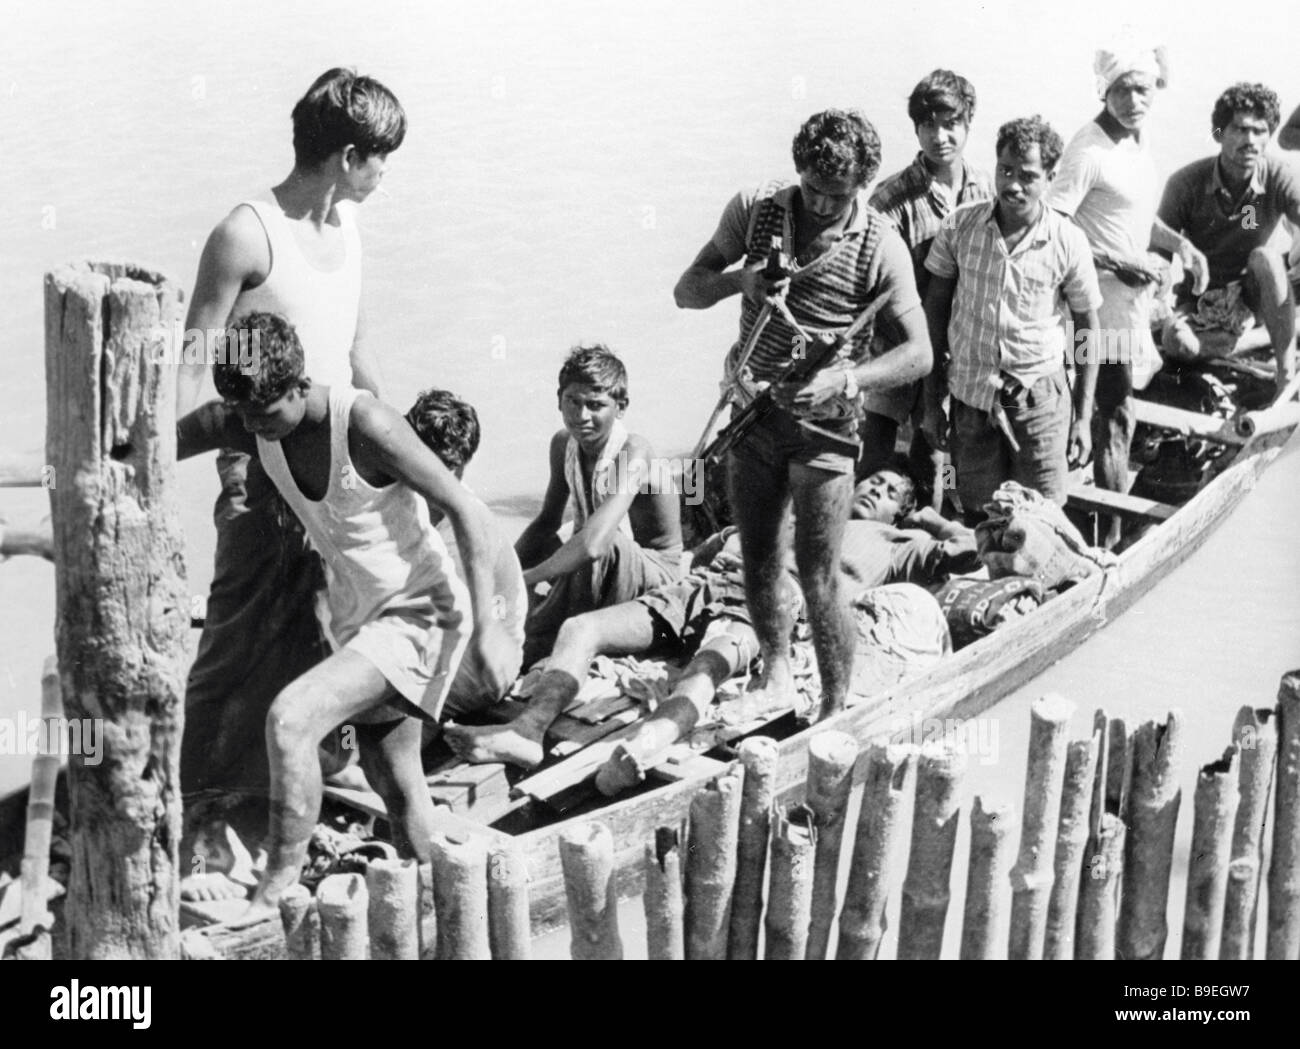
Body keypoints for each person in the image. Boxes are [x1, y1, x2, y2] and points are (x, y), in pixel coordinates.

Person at [176, 312, 517, 916]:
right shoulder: (249, 419)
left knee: (291, 720)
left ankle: (273, 895)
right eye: (243, 415)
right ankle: (445, 913)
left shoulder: (366, 424)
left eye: (265, 413)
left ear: (300, 385)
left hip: (420, 613)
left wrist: (489, 627)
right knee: (398, 787)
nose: (253, 428)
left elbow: (465, 510)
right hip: (359, 622)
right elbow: (149, 445)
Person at [178, 69, 405, 820]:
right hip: (258, 454)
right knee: (234, 629)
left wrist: (398, 448)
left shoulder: (349, 229)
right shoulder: (248, 233)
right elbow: (191, 364)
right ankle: (201, 802)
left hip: (336, 455)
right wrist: (162, 465)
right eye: (380, 158)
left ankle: (321, 761)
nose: (385, 172)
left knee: (334, 614)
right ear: (347, 156)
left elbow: (358, 348)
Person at [446, 460, 975, 780]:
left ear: (899, 513)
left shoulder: (898, 541)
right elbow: (708, 551)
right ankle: (528, 729)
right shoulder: (803, 511)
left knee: (708, 663)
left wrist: (928, 516)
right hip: (702, 585)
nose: (875, 491)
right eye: (873, 481)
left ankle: (649, 744)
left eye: (889, 494)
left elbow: (966, 548)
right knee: (579, 629)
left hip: (768, 598)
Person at [674, 109, 933, 722]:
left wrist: (845, 379)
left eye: (837, 195)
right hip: (753, 418)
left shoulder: (881, 245)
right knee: (760, 555)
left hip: (825, 431)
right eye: (811, 188)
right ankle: (777, 674)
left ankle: (836, 708)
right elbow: (686, 291)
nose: (820, 204)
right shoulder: (754, 209)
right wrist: (741, 282)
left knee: (819, 575)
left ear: (863, 185)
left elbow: (919, 353)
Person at [1046, 41, 1204, 548]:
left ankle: (1106, 524)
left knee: (1116, 412)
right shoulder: (1088, 150)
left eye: (1144, 89)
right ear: (1104, 91)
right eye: (1123, 90)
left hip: (1126, 308)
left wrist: (1180, 245)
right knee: (1114, 413)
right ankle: (1109, 536)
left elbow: (1132, 215)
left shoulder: (1135, 142)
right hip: (1093, 312)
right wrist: (1120, 263)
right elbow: (1049, 229)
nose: (1135, 100)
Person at [922, 115, 1103, 521]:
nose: (1013, 185)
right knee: (973, 511)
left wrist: (1083, 418)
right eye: (1005, 171)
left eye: (1027, 176)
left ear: (1050, 178)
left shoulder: (1068, 240)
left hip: (1039, 402)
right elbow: (934, 314)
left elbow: (1088, 329)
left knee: (1041, 517)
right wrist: (932, 405)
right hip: (971, 397)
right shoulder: (960, 226)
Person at [862, 69, 994, 500]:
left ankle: (930, 523)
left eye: (950, 123)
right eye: (928, 125)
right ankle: (865, 526)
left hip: (955, 343)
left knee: (935, 455)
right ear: (916, 129)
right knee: (876, 448)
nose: (940, 136)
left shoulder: (987, 191)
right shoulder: (890, 198)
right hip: (896, 341)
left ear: (968, 122)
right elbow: (869, 280)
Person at [512, 345, 684, 667]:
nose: (581, 417)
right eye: (572, 402)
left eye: (595, 405)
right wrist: (506, 571)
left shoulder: (635, 450)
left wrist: (531, 577)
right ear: (558, 399)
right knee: (550, 543)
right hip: (602, 554)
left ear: (621, 407)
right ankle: (541, 624)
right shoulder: (562, 444)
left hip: (655, 572)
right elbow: (547, 521)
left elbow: (594, 545)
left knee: (600, 543)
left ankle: (541, 639)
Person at [1157, 83, 1300, 398]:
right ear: (1219, 133)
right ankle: (1263, 337)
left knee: (1265, 257)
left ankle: (1285, 369)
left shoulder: (1279, 176)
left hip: (1253, 294)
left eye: (1260, 131)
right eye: (1240, 129)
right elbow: (1158, 253)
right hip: (1202, 298)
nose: (1251, 140)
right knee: (1176, 343)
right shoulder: (1185, 183)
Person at [403, 388, 527, 720]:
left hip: (484, 664)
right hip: (442, 642)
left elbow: (438, 623)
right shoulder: (412, 503)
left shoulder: (467, 523)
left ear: (459, 467)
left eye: (442, 467)